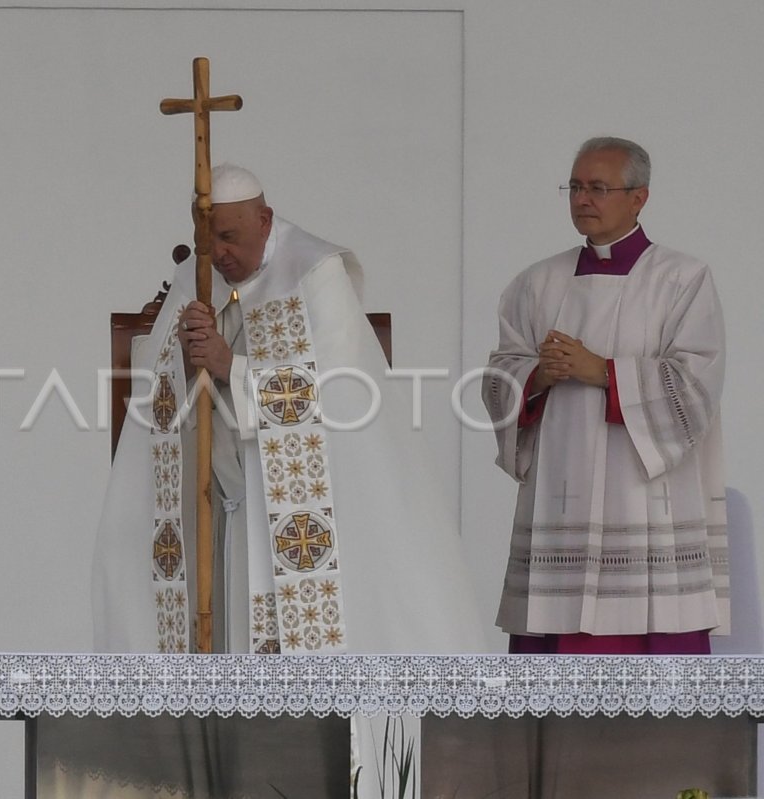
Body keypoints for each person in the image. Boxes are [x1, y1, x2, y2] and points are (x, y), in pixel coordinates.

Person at [92, 164, 486, 655]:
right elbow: (159, 394)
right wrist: (181, 350)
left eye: (231, 238)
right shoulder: (195, 275)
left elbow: (335, 392)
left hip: (293, 509)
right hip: (218, 504)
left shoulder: (315, 272)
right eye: (209, 242)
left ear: (265, 220)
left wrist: (227, 365)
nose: (222, 255)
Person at [483, 136, 728, 654]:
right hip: (560, 492)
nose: (582, 199)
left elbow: (697, 382)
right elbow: (500, 373)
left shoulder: (682, 279)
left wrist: (605, 372)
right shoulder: (536, 283)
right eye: (574, 187)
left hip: (643, 497)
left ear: (639, 197)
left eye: (598, 187)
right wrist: (536, 378)